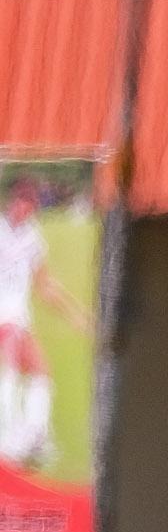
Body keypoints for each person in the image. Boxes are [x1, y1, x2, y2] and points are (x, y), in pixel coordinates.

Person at [0, 174, 91, 469]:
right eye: (24, 200)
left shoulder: (32, 238)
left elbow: (44, 285)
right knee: (13, 367)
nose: (27, 207)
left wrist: (76, 314)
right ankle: (11, 441)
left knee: (41, 373)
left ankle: (31, 437)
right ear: (14, 199)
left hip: (18, 316)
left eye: (32, 203)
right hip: (5, 318)